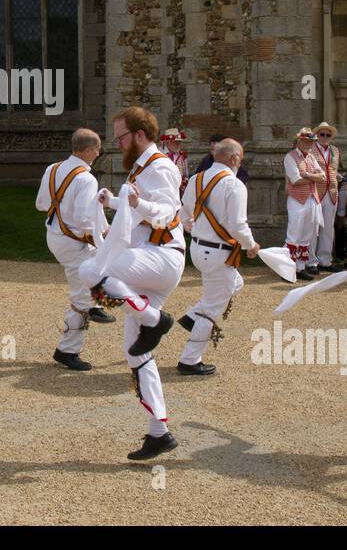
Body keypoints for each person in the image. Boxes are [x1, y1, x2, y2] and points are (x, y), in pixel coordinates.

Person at [85, 106, 186, 461]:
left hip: (162, 258)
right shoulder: (143, 167)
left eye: (121, 137)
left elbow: (167, 210)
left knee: (91, 271)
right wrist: (113, 201)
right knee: (136, 352)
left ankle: (156, 320)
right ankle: (159, 432)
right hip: (151, 259)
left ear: (140, 135)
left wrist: (137, 201)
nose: (117, 143)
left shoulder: (161, 166)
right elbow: (140, 212)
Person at [176, 138, 259, 376]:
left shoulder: (196, 178)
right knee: (211, 308)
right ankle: (190, 360)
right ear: (233, 159)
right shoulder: (234, 185)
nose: (239, 163)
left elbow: (184, 211)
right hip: (219, 252)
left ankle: (193, 316)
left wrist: (189, 225)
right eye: (240, 159)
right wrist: (251, 246)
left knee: (236, 283)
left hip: (198, 249)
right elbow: (238, 225)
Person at [38, 128, 111, 373]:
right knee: (81, 296)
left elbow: (41, 204)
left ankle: (97, 303)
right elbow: (82, 219)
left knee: (98, 271)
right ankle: (67, 351)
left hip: (54, 235)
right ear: (89, 150)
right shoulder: (86, 179)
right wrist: (100, 234)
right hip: (74, 242)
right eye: (98, 149)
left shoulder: (53, 169)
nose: (99, 153)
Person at [283, 128, 325, 281]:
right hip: (296, 198)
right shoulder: (290, 157)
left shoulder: (312, 158)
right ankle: (288, 269)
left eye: (311, 142)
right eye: (306, 141)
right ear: (298, 141)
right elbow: (295, 180)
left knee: (307, 234)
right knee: (294, 233)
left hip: (311, 198)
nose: (309, 144)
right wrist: (314, 178)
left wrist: (307, 175)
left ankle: (300, 267)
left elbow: (323, 177)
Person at [310, 121, 341, 273]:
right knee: (314, 226)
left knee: (328, 227)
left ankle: (325, 260)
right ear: (317, 135)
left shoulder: (335, 150)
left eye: (328, 135)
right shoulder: (311, 149)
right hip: (316, 190)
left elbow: (334, 170)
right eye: (322, 134)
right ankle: (311, 261)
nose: (325, 137)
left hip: (332, 191)